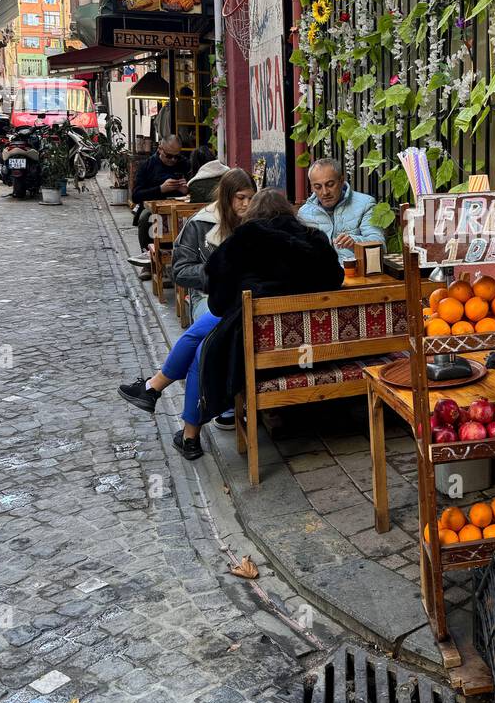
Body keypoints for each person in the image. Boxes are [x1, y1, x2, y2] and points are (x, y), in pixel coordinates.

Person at [118, 187, 343, 460]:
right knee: (202, 337)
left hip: (249, 351)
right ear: (289, 212)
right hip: (307, 349)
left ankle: (188, 434)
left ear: (255, 213)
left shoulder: (242, 241)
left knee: (202, 348)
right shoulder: (315, 240)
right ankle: (153, 390)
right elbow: (335, 279)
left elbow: (217, 303)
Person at [172, 167, 255, 320]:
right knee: (219, 323)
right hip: (207, 296)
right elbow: (180, 271)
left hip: (249, 296)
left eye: (251, 198)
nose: (246, 204)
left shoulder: (257, 222)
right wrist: (217, 272)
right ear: (226, 197)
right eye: (241, 197)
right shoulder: (199, 223)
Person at [297, 158, 386, 265]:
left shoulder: (365, 204)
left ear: (341, 180)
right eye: (318, 187)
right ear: (311, 187)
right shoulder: (304, 213)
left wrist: (355, 242)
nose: (325, 192)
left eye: (330, 184)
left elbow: (380, 246)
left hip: (356, 275)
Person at [129, 135, 191, 276]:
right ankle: (149, 260)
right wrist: (160, 189)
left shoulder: (184, 163)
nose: (173, 160)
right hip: (155, 209)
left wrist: (187, 189)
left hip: (178, 207)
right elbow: (136, 195)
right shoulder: (148, 166)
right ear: (160, 149)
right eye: (169, 156)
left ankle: (183, 260)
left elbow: (194, 186)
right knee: (146, 218)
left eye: (177, 156)